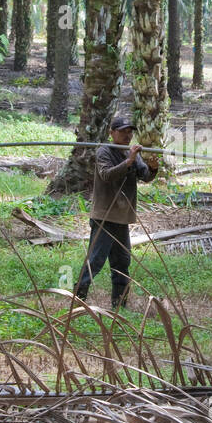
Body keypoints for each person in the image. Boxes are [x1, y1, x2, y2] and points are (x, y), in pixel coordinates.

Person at [73, 115, 157, 308]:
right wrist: (129, 161)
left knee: (122, 263)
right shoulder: (105, 151)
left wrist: (152, 169)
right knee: (95, 261)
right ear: (112, 133)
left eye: (130, 132)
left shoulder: (130, 153)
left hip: (122, 218)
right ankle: (78, 301)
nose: (127, 135)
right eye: (123, 131)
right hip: (105, 217)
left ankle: (119, 305)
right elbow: (106, 174)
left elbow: (145, 176)